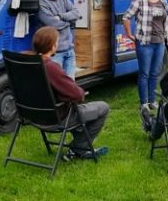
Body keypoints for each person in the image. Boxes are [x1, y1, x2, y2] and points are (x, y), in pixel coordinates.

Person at [29, 26, 109, 160]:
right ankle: (78, 148)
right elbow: (76, 95)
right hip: (56, 118)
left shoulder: (26, 63)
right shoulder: (51, 67)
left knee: (75, 110)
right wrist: (81, 93)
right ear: (53, 45)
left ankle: (80, 147)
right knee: (102, 108)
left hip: (32, 115)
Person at [123, 0, 168, 113]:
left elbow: (166, 19)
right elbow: (126, 17)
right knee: (144, 73)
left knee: (154, 73)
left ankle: (152, 101)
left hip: (159, 42)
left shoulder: (163, 0)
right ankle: (143, 103)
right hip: (145, 43)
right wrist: (129, 34)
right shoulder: (139, 1)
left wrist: (166, 38)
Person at [38, 0, 81, 79]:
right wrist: (69, 22)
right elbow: (52, 24)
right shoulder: (41, 1)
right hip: (54, 54)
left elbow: (76, 13)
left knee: (70, 87)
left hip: (69, 51)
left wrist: (61, 16)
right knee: (55, 88)